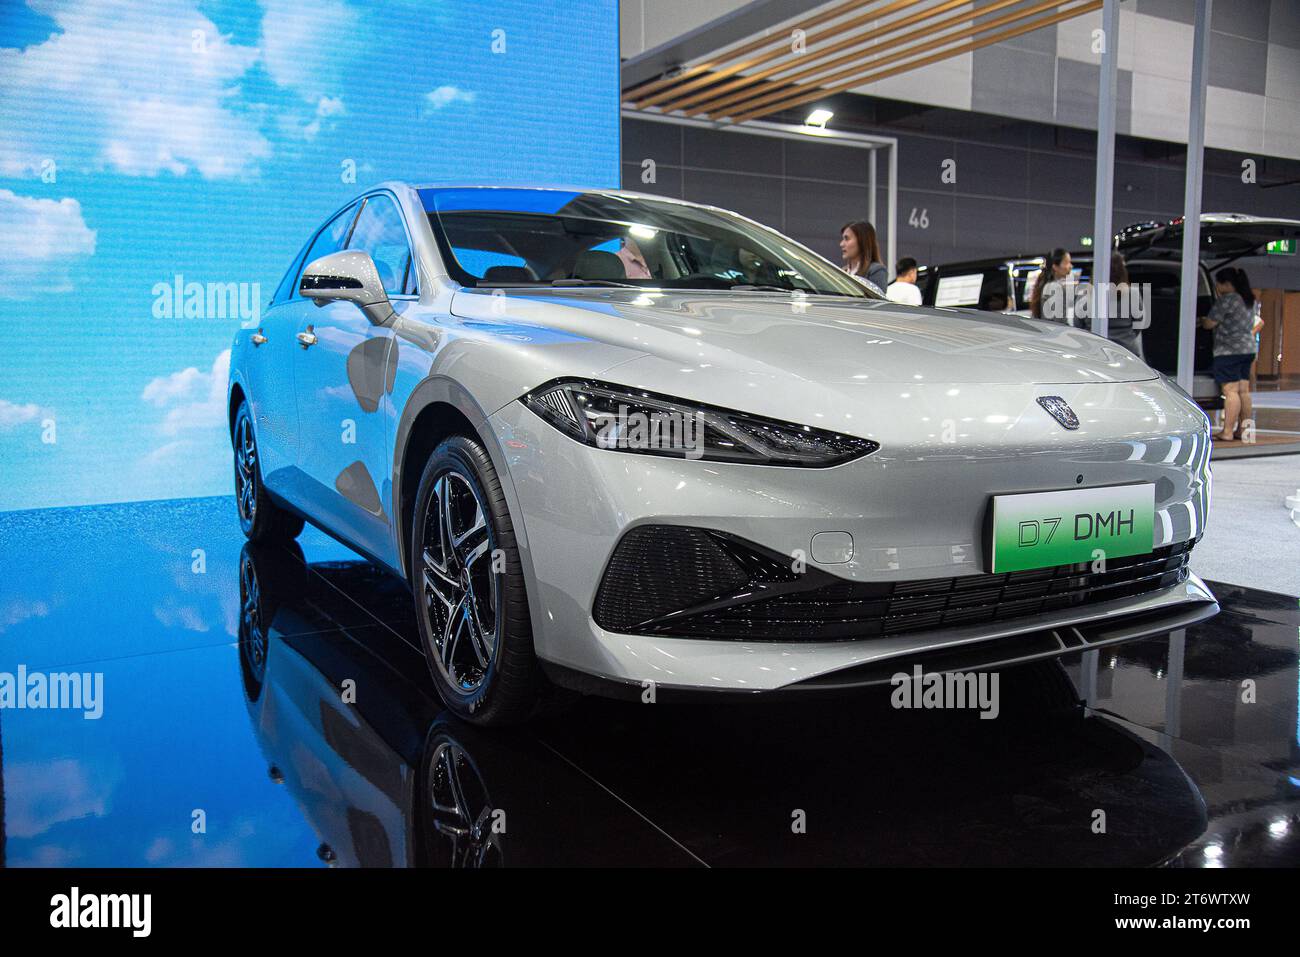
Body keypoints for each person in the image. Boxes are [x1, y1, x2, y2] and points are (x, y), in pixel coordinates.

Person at [1201, 267, 1257, 442]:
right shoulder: (1249, 299)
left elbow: (1209, 324)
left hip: (1228, 350)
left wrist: (1203, 320)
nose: (1217, 286)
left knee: (1230, 390)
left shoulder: (1227, 300)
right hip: (1248, 349)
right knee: (1243, 391)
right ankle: (1245, 431)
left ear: (1227, 284)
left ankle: (1226, 431)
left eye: (1218, 283)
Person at [1107, 252, 1145, 359]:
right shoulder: (1133, 293)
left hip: (1100, 350)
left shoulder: (1094, 294)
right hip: (1129, 350)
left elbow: (1080, 323)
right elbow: (1139, 323)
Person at [839, 220, 888, 293]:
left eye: (847, 239)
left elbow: (877, 302)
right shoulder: (842, 272)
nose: (841, 244)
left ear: (862, 241)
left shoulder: (876, 271)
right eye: (843, 239)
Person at [1029, 248, 1073, 322]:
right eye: (1066, 262)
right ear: (1055, 266)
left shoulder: (1046, 285)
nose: (1070, 266)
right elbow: (1059, 320)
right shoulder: (1055, 288)